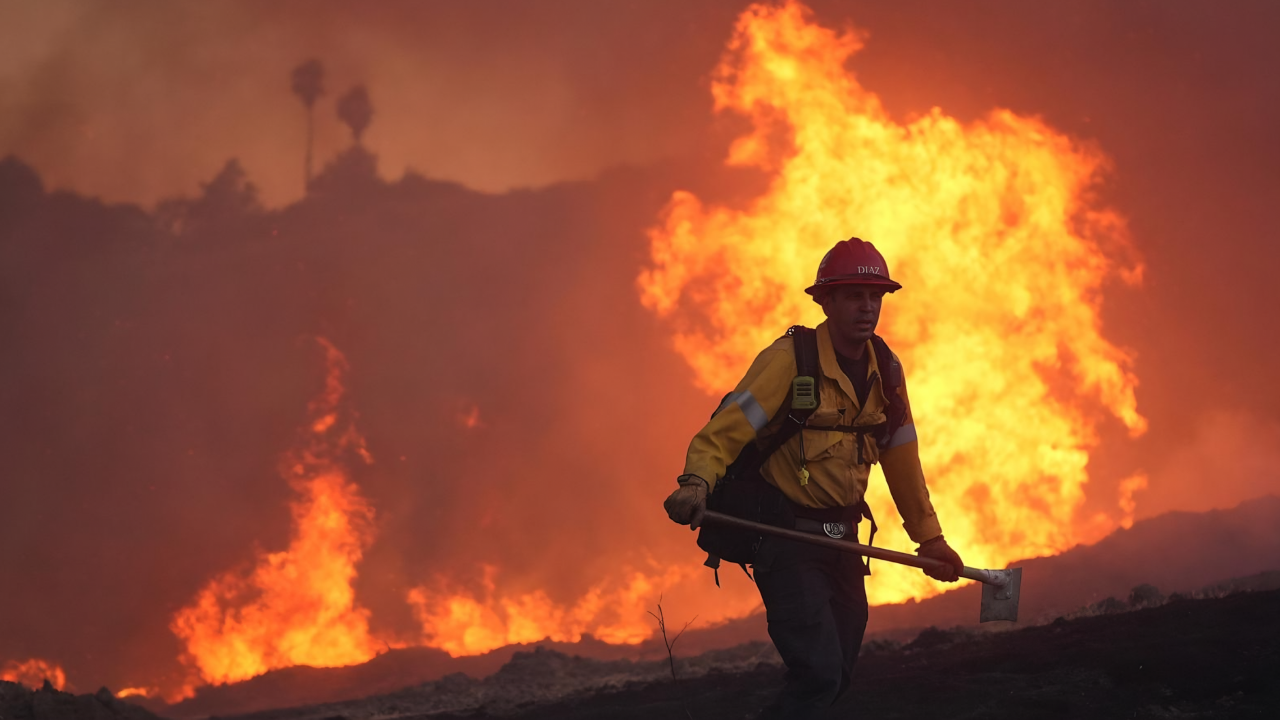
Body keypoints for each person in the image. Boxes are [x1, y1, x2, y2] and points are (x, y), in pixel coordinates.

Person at [663, 237, 965, 719]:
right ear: (826, 301)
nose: (867, 308)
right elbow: (722, 433)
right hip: (787, 543)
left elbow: (902, 459)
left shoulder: (885, 371)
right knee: (818, 673)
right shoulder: (788, 360)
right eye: (852, 296)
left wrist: (930, 540)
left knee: (839, 672)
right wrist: (696, 483)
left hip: (843, 542)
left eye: (875, 297)